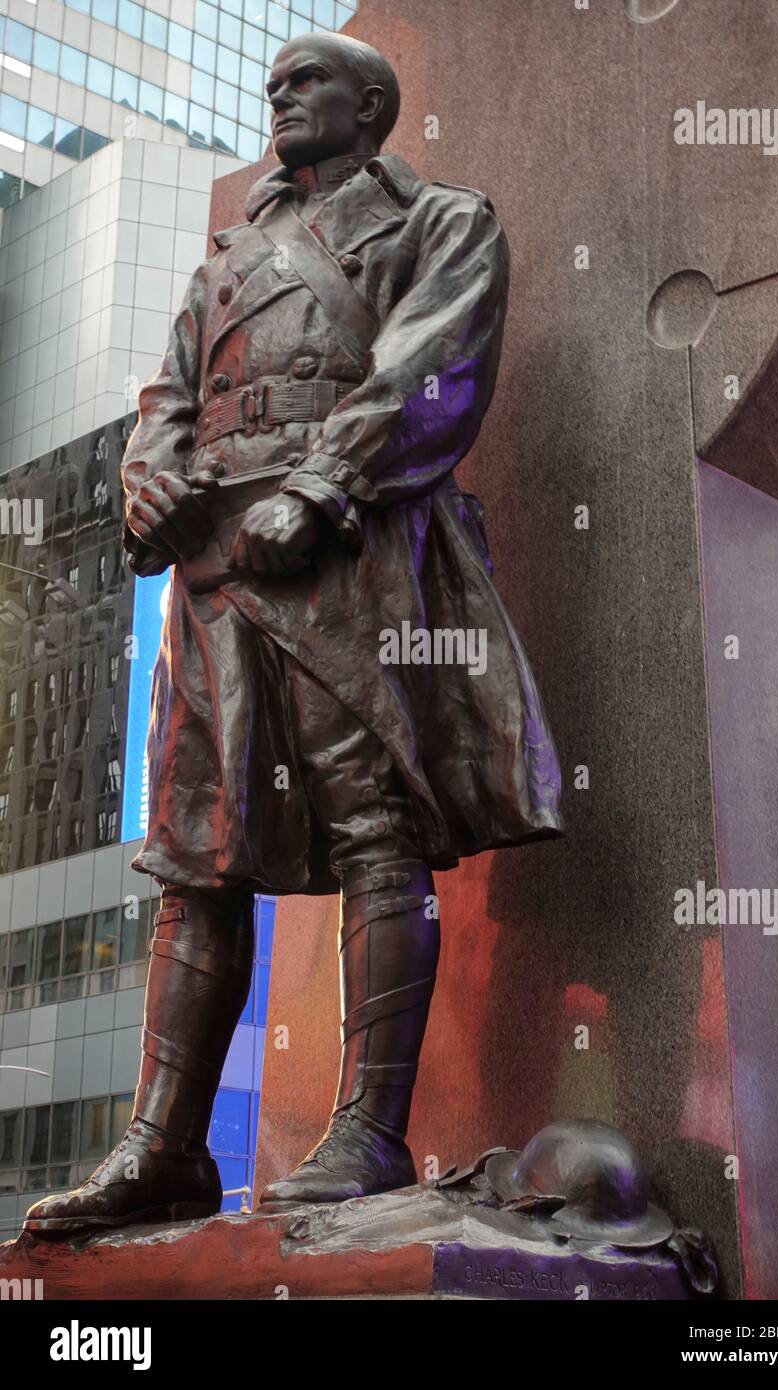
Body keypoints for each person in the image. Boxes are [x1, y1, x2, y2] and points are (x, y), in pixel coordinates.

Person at [25, 31, 562, 1234]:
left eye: (304, 81)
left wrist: (322, 485)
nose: (278, 95)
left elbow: (432, 370)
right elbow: (166, 392)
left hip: (343, 548)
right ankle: (162, 1147)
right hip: (215, 565)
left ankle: (367, 1133)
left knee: (375, 821)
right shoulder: (225, 255)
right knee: (193, 856)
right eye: (270, 84)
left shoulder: (440, 221)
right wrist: (146, 478)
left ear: (369, 106)